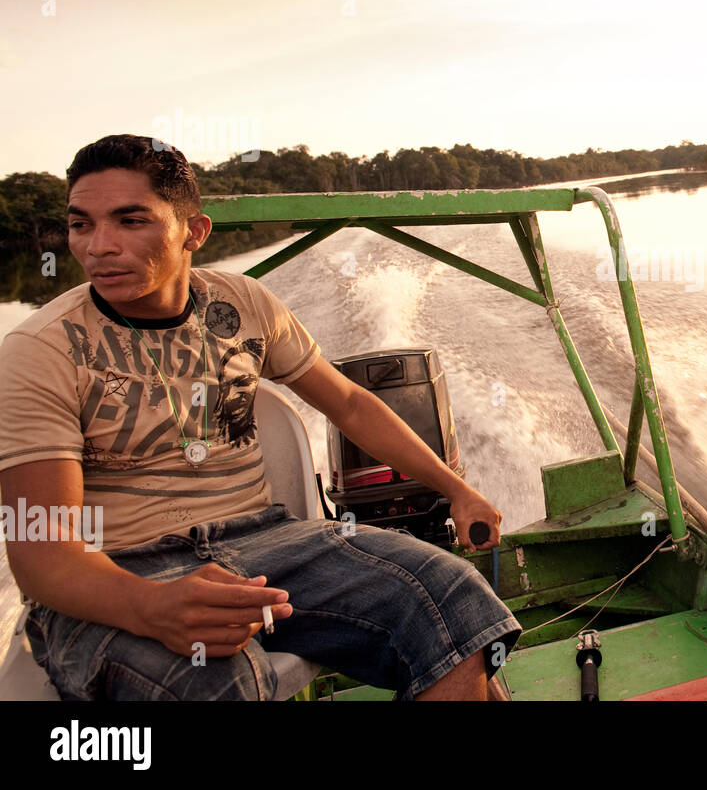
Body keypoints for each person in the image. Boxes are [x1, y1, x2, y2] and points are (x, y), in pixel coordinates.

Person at [0, 134, 521, 700]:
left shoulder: (243, 303)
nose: (99, 246)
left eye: (131, 221)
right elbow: (42, 553)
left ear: (193, 232)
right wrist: (154, 606)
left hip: (266, 541)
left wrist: (455, 488)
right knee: (215, 679)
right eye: (80, 225)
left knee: (452, 599)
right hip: (117, 571)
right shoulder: (40, 350)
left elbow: (350, 404)